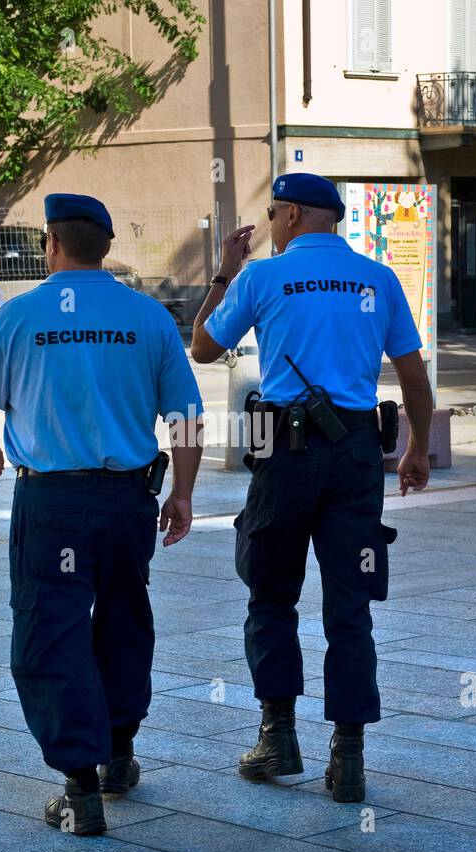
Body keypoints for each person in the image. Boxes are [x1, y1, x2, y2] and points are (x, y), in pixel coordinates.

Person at [0, 193, 204, 836]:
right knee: (124, 621)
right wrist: (182, 493)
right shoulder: (147, 316)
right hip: (128, 501)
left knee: (52, 632)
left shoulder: (18, 317)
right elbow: (186, 416)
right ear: (104, 248)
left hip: (52, 506)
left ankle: (80, 787)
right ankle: (119, 754)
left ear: (52, 243)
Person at [189, 172, 434, 803]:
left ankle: (278, 738)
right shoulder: (378, 279)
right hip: (355, 451)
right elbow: (413, 376)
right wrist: (413, 449)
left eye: (273, 211)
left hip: (283, 452)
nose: (270, 221)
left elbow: (203, 347)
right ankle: (347, 759)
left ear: (293, 215)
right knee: (349, 609)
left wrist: (224, 270)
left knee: (271, 595)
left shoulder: (262, 277)